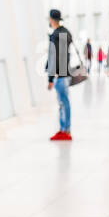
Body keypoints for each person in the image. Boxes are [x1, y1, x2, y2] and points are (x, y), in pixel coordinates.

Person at [46, 9, 75, 141]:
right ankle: (65, 129)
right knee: (64, 102)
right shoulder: (66, 33)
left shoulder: (56, 35)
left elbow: (54, 57)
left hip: (60, 75)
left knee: (63, 103)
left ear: (51, 19)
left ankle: (65, 131)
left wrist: (51, 78)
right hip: (67, 72)